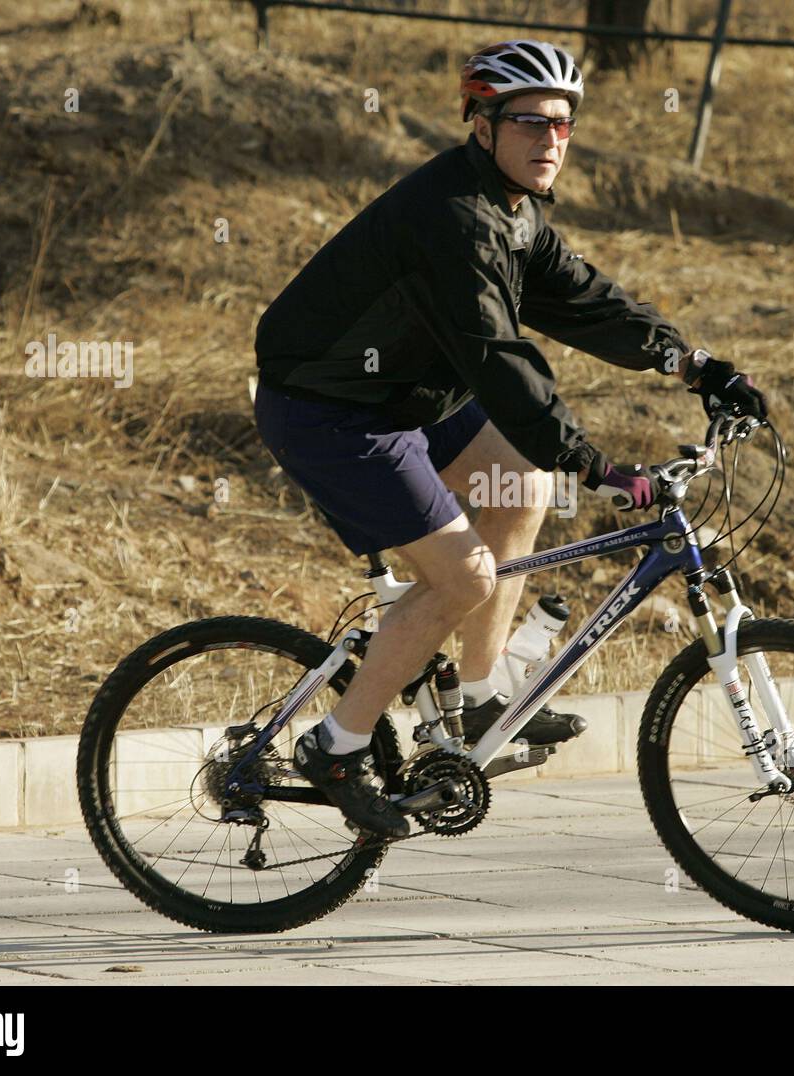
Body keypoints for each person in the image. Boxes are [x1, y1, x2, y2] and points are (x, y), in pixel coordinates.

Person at [253, 40, 767, 837]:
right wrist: (592, 464)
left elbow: (590, 303)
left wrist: (697, 366)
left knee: (522, 488)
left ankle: (486, 690)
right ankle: (337, 746)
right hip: (331, 406)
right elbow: (499, 360)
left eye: (563, 124)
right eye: (529, 122)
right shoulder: (456, 220)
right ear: (482, 125)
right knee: (463, 578)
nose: (550, 140)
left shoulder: (514, 212)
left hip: (406, 392)